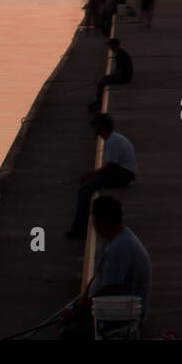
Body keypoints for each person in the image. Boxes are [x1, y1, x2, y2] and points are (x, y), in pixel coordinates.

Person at [58, 196, 151, 339]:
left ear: (99, 221)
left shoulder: (121, 247)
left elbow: (110, 290)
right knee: (65, 323)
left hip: (121, 316)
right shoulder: (112, 240)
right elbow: (98, 275)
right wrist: (81, 302)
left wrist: (78, 310)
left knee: (68, 333)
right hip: (107, 309)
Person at [65, 114, 136, 239]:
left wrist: (89, 176)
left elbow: (110, 167)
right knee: (87, 186)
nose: (93, 129)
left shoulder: (112, 141)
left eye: (94, 126)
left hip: (122, 174)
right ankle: (80, 226)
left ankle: (78, 228)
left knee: (85, 189)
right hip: (121, 172)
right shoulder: (113, 139)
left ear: (101, 127)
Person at [89, 38, 133, 112]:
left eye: (110, 46)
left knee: (101, 83)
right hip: (124, 76)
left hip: (125, 78)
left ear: (114, 46)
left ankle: (98, 102)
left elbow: (120, 71)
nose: (109, 48)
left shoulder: (120, 55)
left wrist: (107, 76)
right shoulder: (121, 53)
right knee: (102, 80)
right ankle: (98, 100)